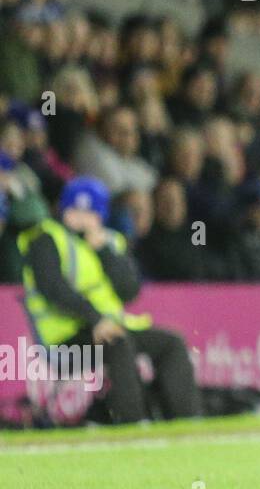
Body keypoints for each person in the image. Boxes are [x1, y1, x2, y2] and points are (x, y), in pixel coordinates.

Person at [18, 176, 201, 424]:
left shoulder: (109, 241)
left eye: (89, 212)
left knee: (171, 343)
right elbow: (53, 288)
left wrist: (103, 250)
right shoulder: (45, 239)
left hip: (108, 327)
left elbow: (130, 290)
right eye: (75, 210)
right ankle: (132, 422)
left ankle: (186, 420)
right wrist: (95, 320)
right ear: (63, 209)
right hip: (64, 338)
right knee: (117, 342)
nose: (82, 217)